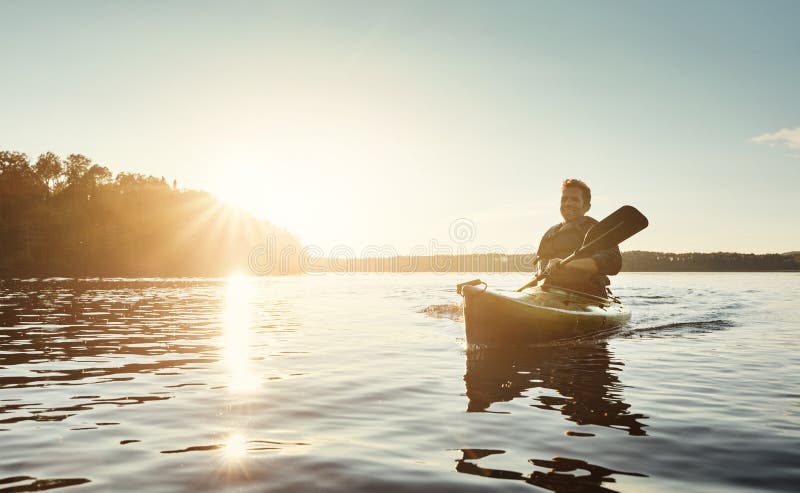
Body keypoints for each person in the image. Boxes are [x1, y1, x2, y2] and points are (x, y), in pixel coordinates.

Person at [535, 179, 621, 298]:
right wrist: (540, 271)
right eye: (564, 199)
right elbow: (540, 260)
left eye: (574, 199)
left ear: (586, 206)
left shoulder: (597, 230)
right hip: (551, 294)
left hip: (588, 297)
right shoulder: (550, 233)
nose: (567, 203)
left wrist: (567, 264)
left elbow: (613, 262)